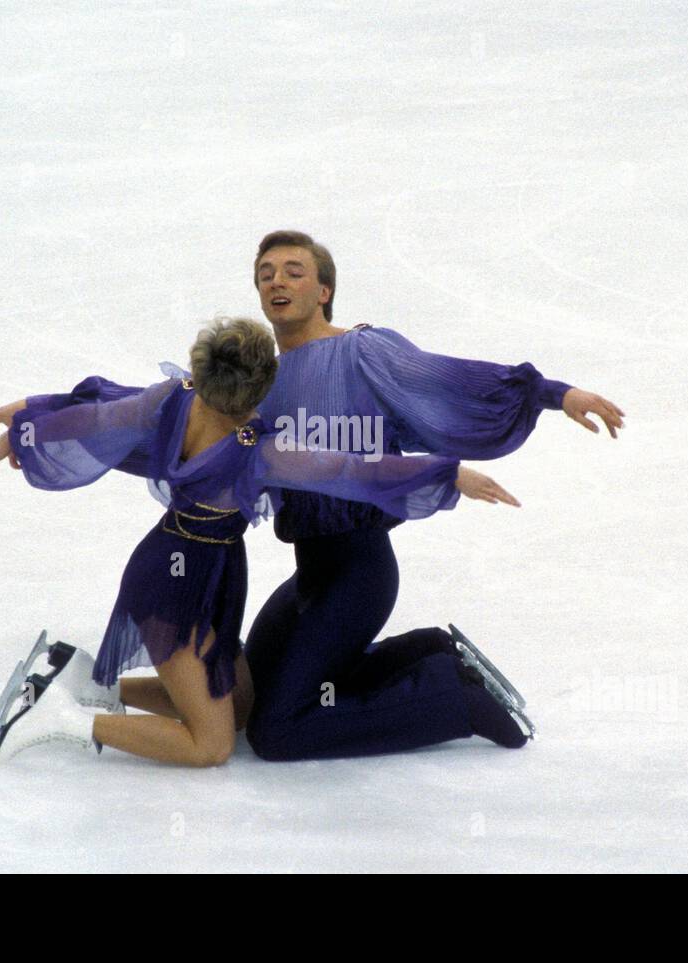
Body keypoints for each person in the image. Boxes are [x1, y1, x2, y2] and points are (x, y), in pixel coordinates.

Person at [0, 318, 520, 767]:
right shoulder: (260, 448)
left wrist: (29, 418)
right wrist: (447, 476)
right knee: (212, 746)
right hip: (173, 588)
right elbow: (354, 469)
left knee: (244, 704)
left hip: (203, 574)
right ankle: (59, 720)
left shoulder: (169, 399)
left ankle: (86, 681)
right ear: (261, 388)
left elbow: (98, 414)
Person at [242, 230, 627, 761]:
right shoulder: (264, 382)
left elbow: (450, 381)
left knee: (276, 731)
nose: (277, 281)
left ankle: (456, 701)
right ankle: (433, 654)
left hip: (358, 575)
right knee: (256, 685)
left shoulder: (361, 351)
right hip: (310, 576)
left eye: (293, 271)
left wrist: (553, 394)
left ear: (324, 290)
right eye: (266, 274)